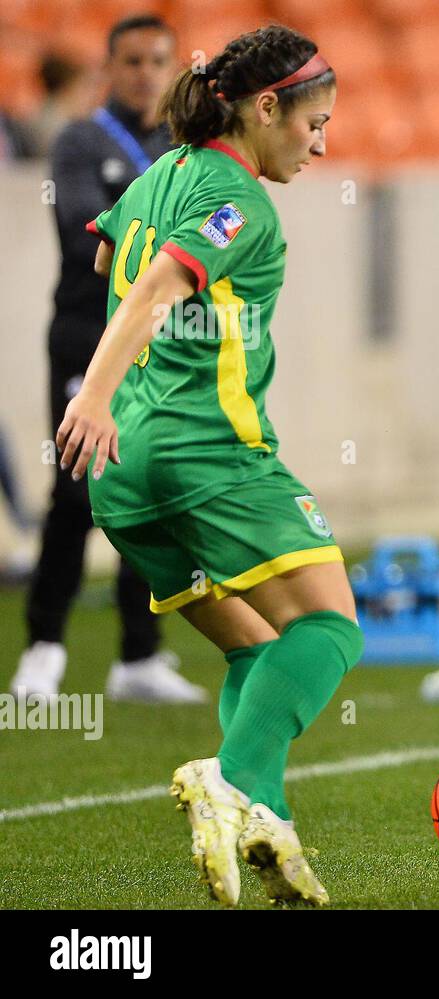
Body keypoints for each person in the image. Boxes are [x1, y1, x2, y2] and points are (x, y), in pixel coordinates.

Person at [56, 24, 355, 908]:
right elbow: (153, 289)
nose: (321, 143)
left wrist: (114, 396)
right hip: (206, 456)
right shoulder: (241, 203)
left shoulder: (157, 174)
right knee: (331, 630)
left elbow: (111, 260)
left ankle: (271, 824)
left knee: (254, 647)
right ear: (267, 107)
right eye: (313, 124)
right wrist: (91, 394)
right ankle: (230, 782)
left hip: (124, 475)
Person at [9, 15, 204, 705]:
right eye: (132, 61)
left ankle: (139, 656)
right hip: (87, 334)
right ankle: (43, 649)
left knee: (151, 490)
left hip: (161, 341)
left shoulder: (183, 146)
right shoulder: (82, 140)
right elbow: (80, 229)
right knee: (76, 491)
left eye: (158, 60)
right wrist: (178, 244)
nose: (146, 73)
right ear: (109, 67)